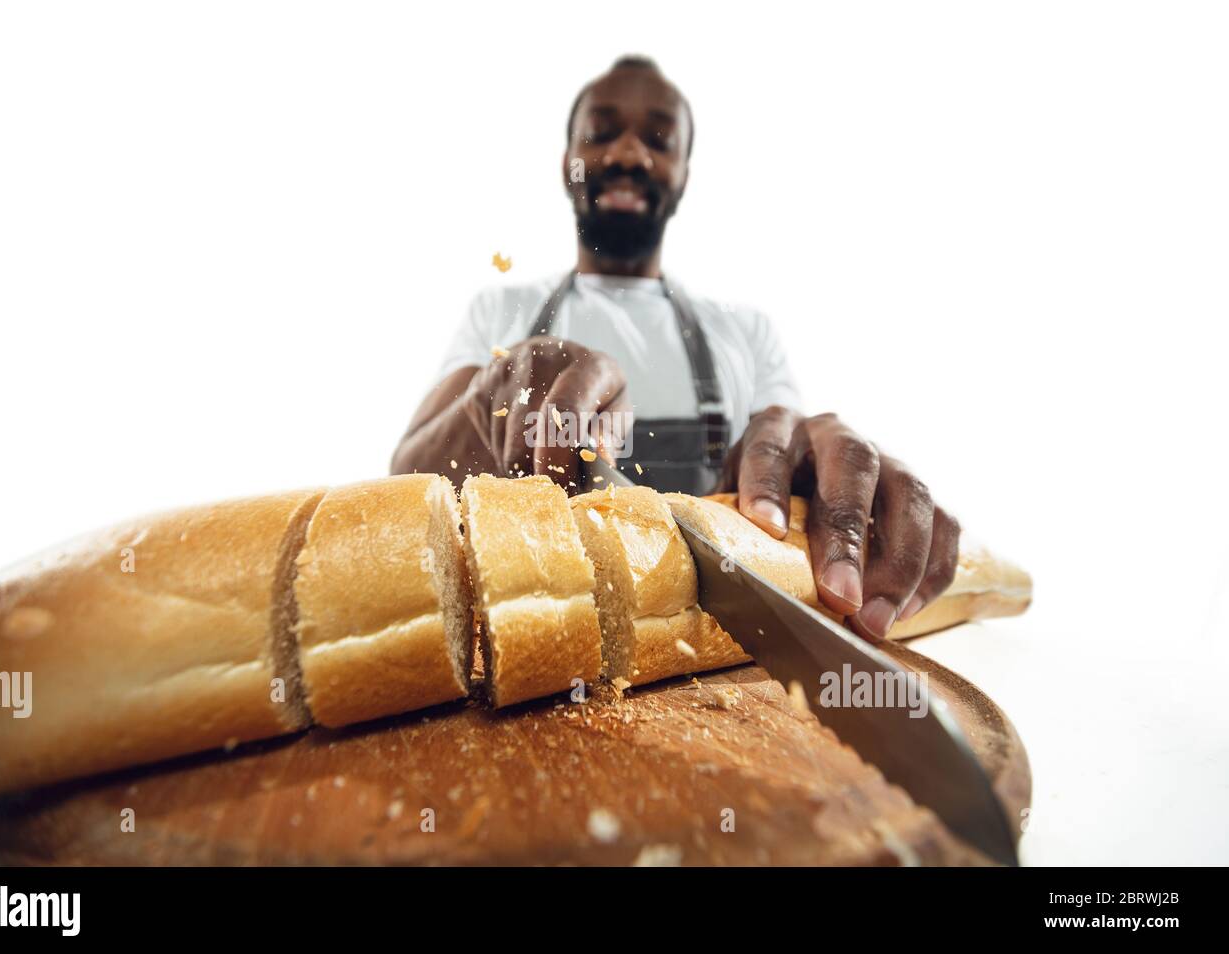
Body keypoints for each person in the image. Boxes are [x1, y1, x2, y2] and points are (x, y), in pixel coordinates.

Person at [391, 55, 959, 642]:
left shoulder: (745, 332)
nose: (628, 154)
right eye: (601, 133)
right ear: (567, 164)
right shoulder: (499, 311)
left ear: (683, 174)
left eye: (659, 141)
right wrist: (487, 401)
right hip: (535, 635)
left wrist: (830, 485)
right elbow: (405, 482)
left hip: (707, 647)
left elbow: (789, 461)